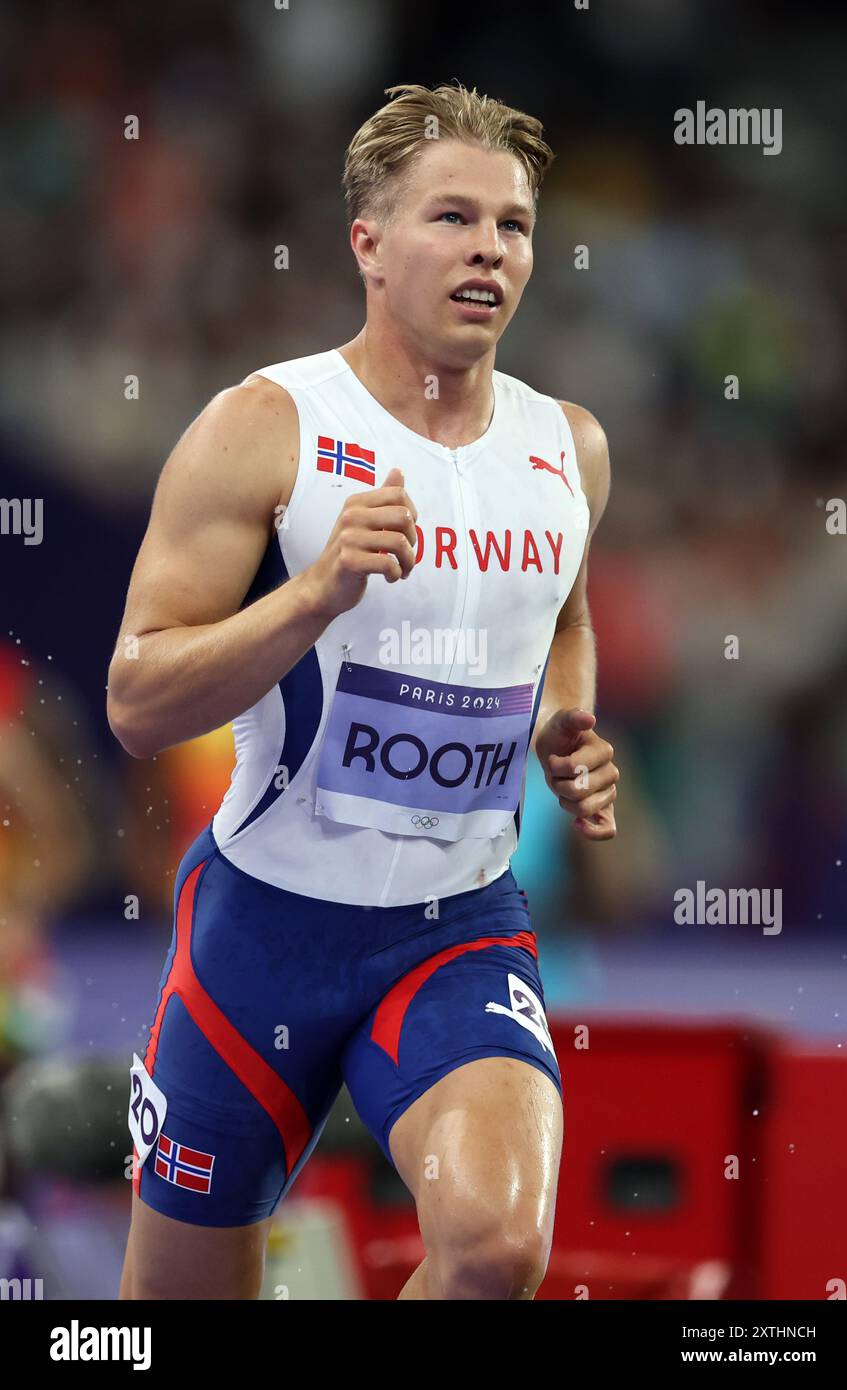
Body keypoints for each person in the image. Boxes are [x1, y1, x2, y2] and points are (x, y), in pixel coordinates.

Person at [108, 81, 617, 1301]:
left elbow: (567, 620)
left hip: (456, 927)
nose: (488, 249)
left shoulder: (569, 445)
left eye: (513, 225)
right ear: (369, 245)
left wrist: (564, 723)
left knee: (495, 1253)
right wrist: (310, 596)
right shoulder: (263, 427)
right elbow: (134, 699)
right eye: (451, 217)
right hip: (261, 934)